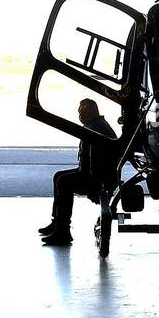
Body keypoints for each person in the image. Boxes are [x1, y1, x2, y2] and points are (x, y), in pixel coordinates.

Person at [39, 99, 118, 246]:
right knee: (59, 176)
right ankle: (57, 222)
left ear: (89, 112)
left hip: (96, 177)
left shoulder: (94, 130)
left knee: (63, 181)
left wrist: (95, 188)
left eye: (81, 111)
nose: (79, 114)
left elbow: (96, 162)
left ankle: (63, 231)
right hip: (92, 173)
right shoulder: (96, 125)